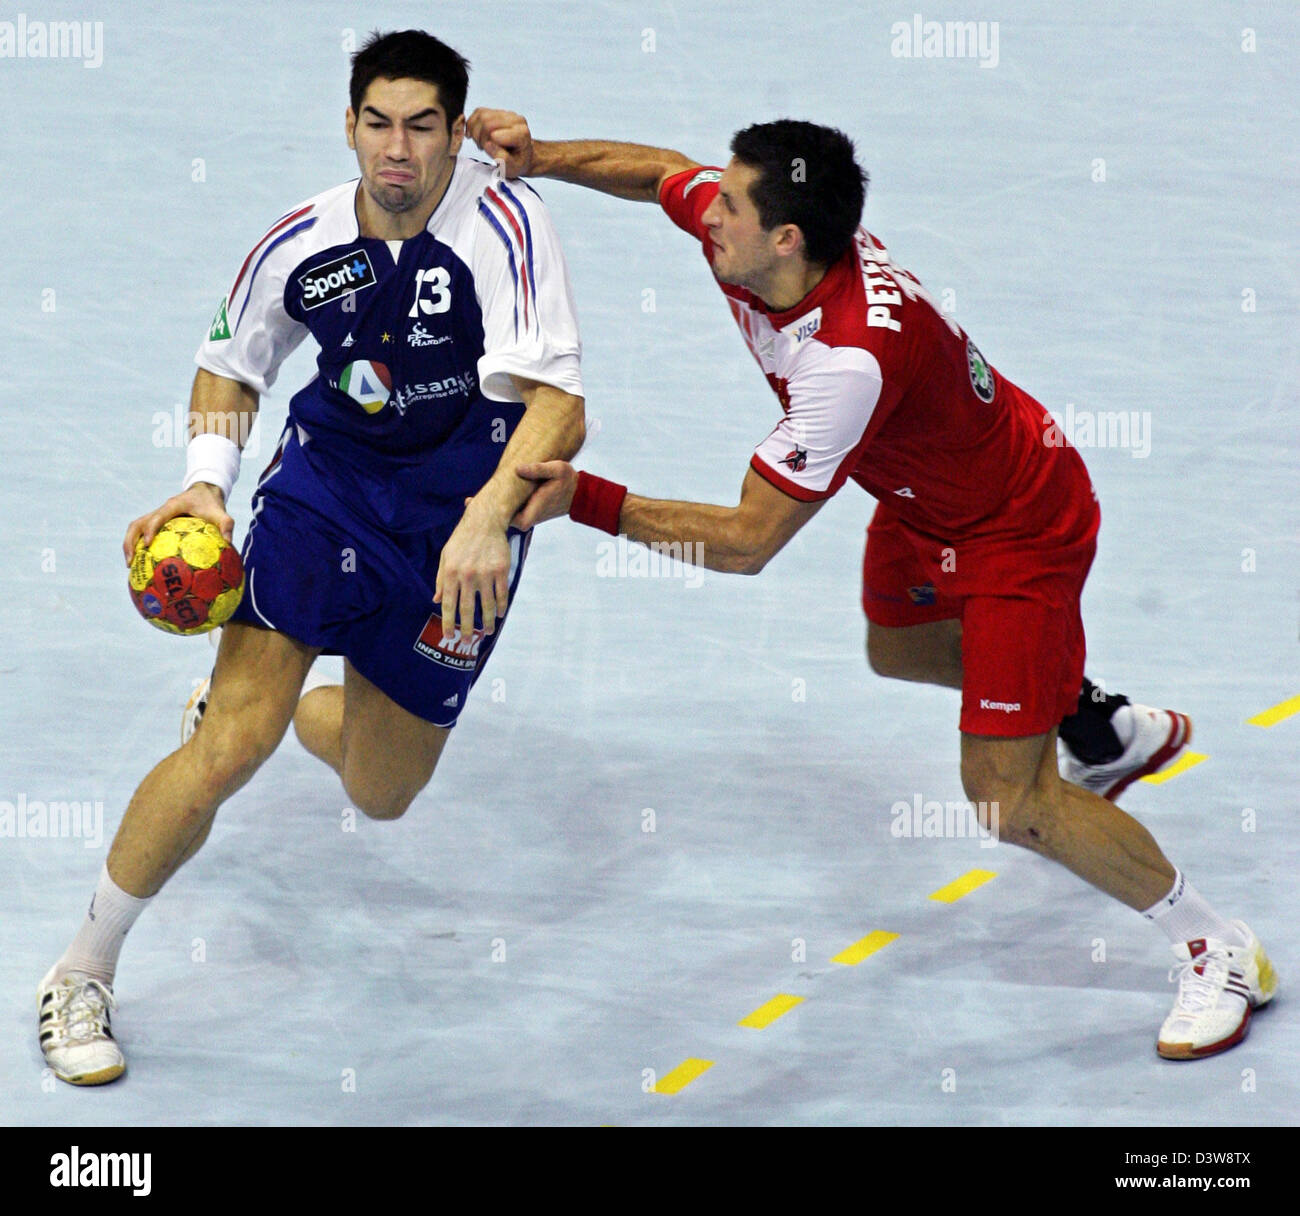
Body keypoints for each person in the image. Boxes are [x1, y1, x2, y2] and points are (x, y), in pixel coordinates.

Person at [465, 109, 1276, 1060]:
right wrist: (541, 160)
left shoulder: (843, 362)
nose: (705, 214)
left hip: (1019, 527)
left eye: (727, 206)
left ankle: (1215, 944)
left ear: (788, 239)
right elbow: (660, 175)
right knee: (895, 651)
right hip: (925, 501)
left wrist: (588, 499)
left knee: (1005, 800)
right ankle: (1090, 717)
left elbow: (744, 542)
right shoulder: (765, 241)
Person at [37, 32, 585, 1086]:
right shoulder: (302, 240)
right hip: (325, 493)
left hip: (455, 529)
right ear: (349, 126)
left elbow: (559, 402)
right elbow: (228, 364)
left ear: (455, 131)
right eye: (377, 122)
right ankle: (83, 969)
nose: (397, 149)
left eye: (422, 125)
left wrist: (485, 517)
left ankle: (300, 705)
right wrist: (207, 479)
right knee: (229, 745)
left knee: (383, 792)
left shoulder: (506, 225)